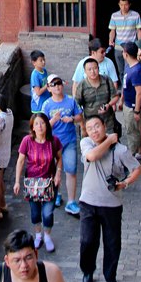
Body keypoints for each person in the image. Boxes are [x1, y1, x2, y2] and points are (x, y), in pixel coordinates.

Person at [79, 115, 141, 282]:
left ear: (104, 126)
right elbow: (91, 156)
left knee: (112, 243)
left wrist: (125, 183)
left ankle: (110, 276)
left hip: (112, 204)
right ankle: (88, 271)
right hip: (88, 202)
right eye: (90, 128)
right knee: (87, 241)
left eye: (97, 126)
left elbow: (137, 169)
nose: (93, 131)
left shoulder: (121, 150)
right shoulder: (86, 143)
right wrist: (109, 140)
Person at [14, 114, 62, 253]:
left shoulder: (54, 141)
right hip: (33, 183)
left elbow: (59, 158)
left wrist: (58, 172)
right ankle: (38, 234)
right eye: (36, 124)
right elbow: (20, 161)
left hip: (50, 182)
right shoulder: (27, 141)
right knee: (35, 213)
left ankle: (47, 235)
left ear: (47, 125)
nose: (40, 126)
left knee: (47, 213)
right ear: (32, 127)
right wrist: (17, 181)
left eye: (42, 123)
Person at [42, 75, 83, 217]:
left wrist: (71, 118)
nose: (57, 86)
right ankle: (56, 193)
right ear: (48, 88)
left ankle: (71, 201)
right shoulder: (47, 105)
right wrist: (53, 120)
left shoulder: (71, 100)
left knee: (71, 170)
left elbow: (79, 116)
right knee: (53, 171)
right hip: (53, 143)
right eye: (54, 84)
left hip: (69, 141)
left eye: (59, 83)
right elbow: (42, 126)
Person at [74, 58, 120, 135]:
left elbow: (115, 97)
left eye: (95, 68)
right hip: (90, 123)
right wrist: (82, 125)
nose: (93, 72)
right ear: (85, 71)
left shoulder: (106, 80)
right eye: (89, 69)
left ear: (98, 68)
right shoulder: (82, 85)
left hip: (107, 122)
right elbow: (77, 105)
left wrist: (108, 105)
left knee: (110, 143)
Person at [120, 41, 141, 160]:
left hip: (133, 107)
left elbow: (139, 93)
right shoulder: (128, 65)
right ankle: (140, 150)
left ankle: (131, 155)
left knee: (132, 131)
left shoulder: (137, 70)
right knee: (133, 130)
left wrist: (136, 111)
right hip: (127, 102)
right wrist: (122, 99)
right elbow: (125, 84)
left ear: (126, 54)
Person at [108, 0, 141, 80]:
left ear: (129, 5)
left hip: (131, 47)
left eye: (126, 5)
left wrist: (139, 44)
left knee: (129, 69)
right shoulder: (114, 16)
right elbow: (112, 31)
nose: (123, 7)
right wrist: (110, 40)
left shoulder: (135, 15)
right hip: (118, 47)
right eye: (121, 5)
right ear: (119, 5)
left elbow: (139, 31)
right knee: (121, 71)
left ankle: (129, 88)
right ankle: (124, 88)